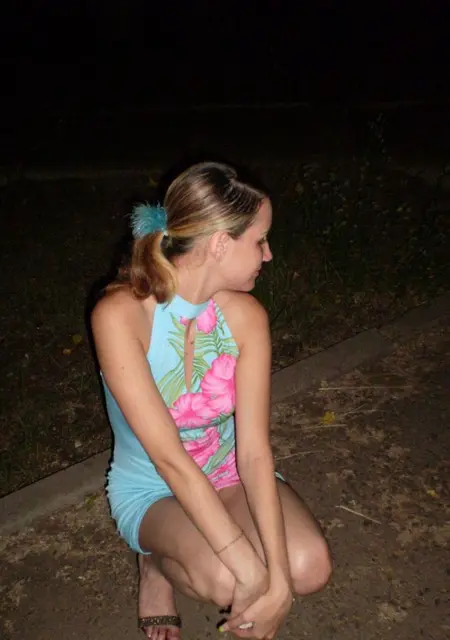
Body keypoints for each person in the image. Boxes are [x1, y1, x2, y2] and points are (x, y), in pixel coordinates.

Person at [91, 161, 332, 640]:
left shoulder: (246, 317)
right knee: (228, 580)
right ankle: (154, 564)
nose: (268, 255)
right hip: (156, 486)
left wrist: (279, 582)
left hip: (227, 471)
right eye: (260, 240)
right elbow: (169, 459)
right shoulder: (120, 315)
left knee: (310, 568)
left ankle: (235, 563)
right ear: (220, 243)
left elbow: (255, 452)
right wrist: (253, 573)